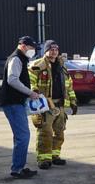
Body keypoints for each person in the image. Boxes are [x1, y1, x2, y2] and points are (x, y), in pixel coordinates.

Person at [28, 40, 78, 169]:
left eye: (56, 49)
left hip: (60, 105)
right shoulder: (37, 65)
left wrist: (73, 101)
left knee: (59, 132)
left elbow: (69, 86)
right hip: (45, 105)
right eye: (51, 49)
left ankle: (55, 156)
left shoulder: (62, 67)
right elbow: (31, 82)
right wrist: (34, 93)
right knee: (45, 132)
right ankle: (44, 159)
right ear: (45, 51)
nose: (54, 51)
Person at [0, 36, 41, 179]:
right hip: (13, 103)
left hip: (15, 103)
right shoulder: (16, 59)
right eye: (31, 48)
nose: (33, 51)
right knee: (23, 136)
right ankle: (17, 169)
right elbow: (12, 80)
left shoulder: (20, 59)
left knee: (20, 137)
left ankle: (18, 167)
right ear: (23, 46)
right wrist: (30, 93)